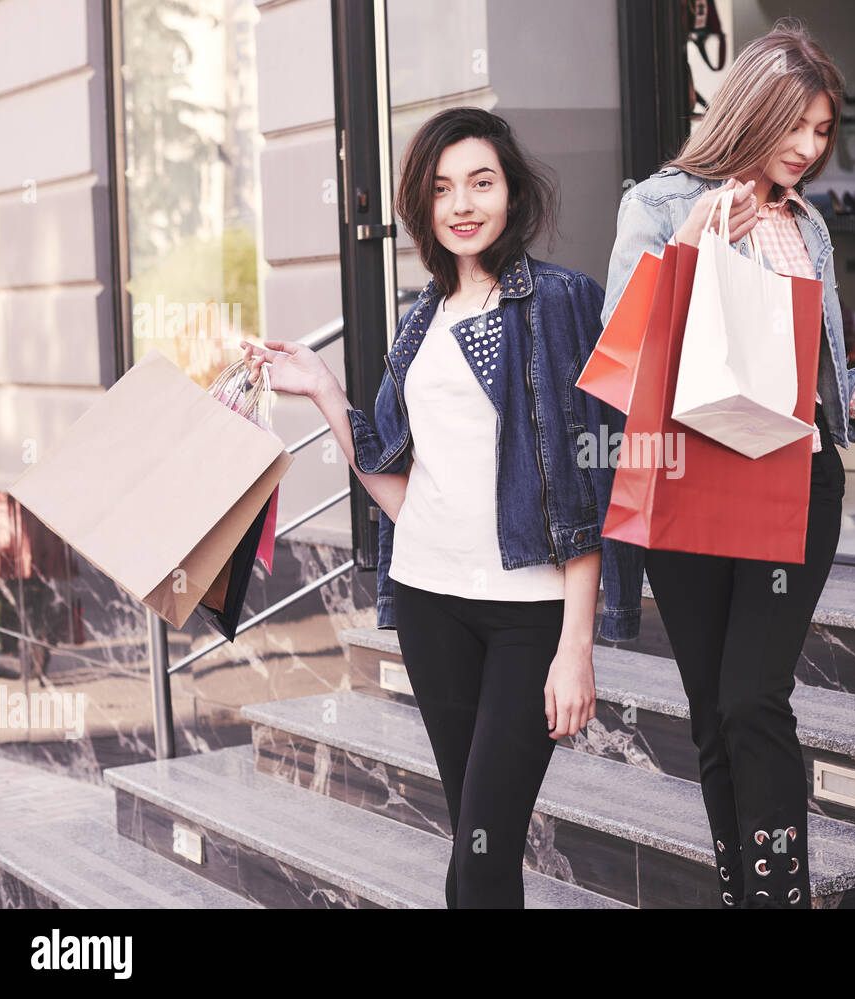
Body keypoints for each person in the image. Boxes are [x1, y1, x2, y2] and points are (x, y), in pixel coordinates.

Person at [238, 107, 640, 908]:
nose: (463, 203)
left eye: (481, 183)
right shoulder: (420, 319)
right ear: (422, 205)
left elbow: (584, 484)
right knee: (473, 839)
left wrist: (577, 647)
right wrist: (323, 390)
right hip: (430, 602)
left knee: (486, 853)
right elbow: (398, 487)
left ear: (511, 192)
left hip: (528, 612)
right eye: (443, 187)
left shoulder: (560, 303)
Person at [600, 19, 855, 908]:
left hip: (795, 481)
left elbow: (815, 376)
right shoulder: (659, 204)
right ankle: (744, 892)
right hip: (688, 480)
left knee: (754, 696)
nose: (808, 147)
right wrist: (699, 240)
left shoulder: (809, 227)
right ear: (748, 111)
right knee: (713, 711)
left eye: (823, 130)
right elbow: (623, 357)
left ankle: (782, 896)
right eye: (795, 124)